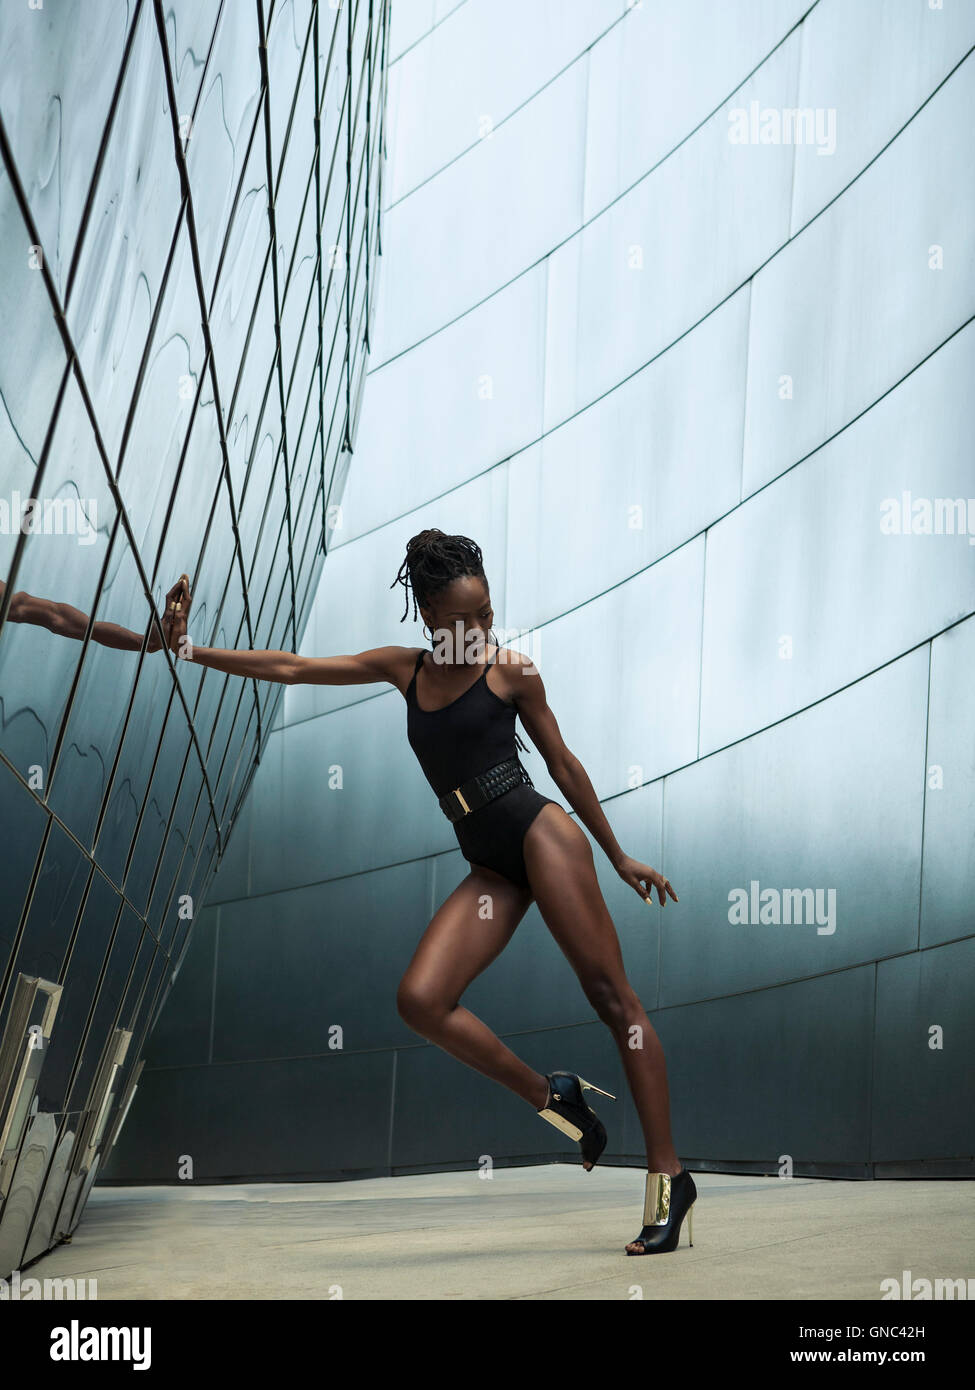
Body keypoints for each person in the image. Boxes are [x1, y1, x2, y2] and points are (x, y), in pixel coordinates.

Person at [160, 529, 696, 1254]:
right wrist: (190, 650)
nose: (478, 633)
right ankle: (556, 1098)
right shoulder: (402, 670)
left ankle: (669, 1181)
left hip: (541, 834)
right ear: (427, 616)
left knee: (613, 1002)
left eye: (487, 614)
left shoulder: (512, 673)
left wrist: (617, 852)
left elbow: (562, 766)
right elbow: (290, 666)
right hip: (488, 865)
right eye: (460, 622)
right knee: (420, 1000)